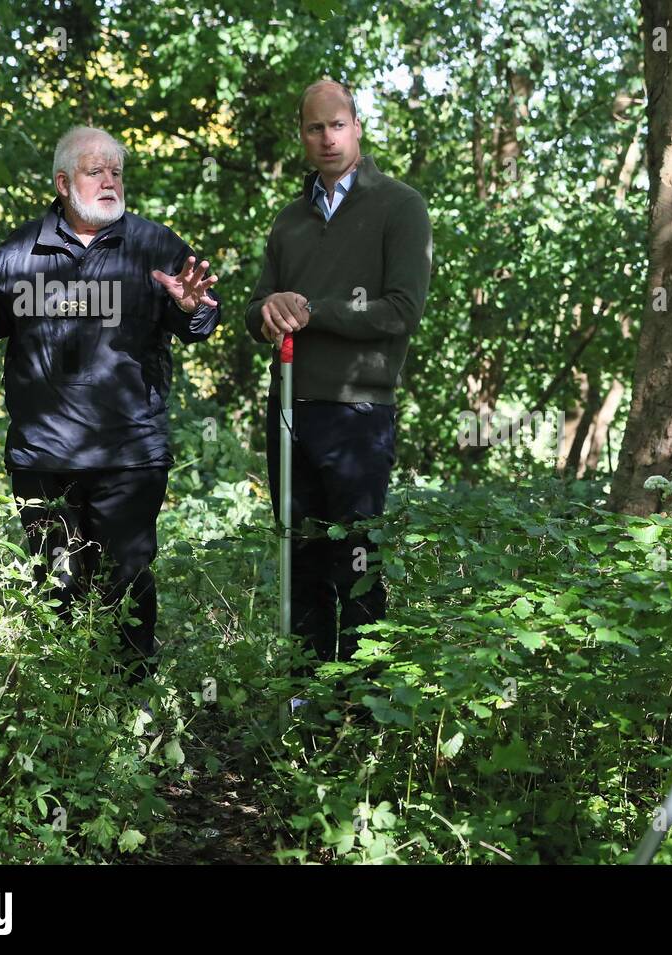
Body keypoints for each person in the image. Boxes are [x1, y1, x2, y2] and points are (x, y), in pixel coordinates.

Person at [0, 126, 221, 684]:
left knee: (127, 582)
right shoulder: (21, 253)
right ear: (64, 182)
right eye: (97, 171)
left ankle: (129, 710)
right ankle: (67, 711)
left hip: (130, 454)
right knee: (58, 586)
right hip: (43, 458)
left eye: (117, 172)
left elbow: (197, 321)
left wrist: (193, 308)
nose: (110, 181)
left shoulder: (155, 247)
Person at [245, 79, 432, 668]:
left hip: (358, 413)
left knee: (355, 561)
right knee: (299, 559)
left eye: (337, 125)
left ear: (357, 126)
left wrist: (313, 309)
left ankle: (361, 705)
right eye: (314, 128)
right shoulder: (289, 220)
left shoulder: (400, 206)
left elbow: (402, 310)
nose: (327, 138)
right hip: (290, 409)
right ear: (302, 135)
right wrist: (268, 313)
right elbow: (257, 310)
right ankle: (303, 699)